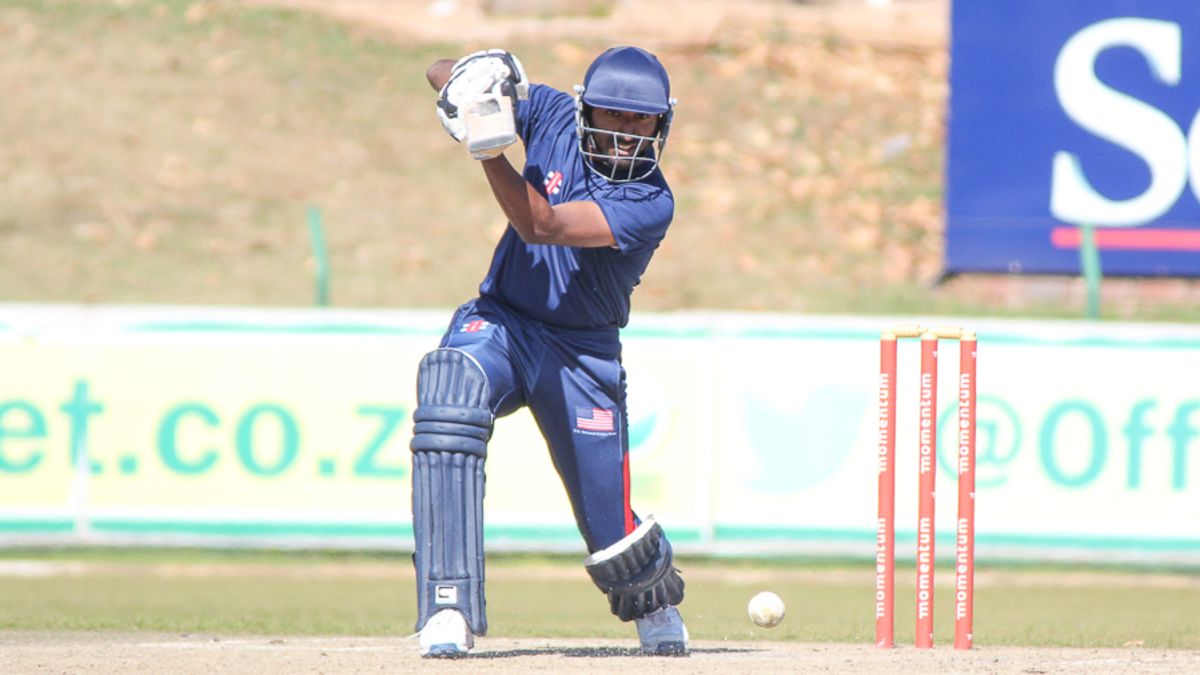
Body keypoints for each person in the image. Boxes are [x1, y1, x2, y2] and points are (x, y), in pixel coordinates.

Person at [408, 46, 687, 658]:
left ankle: (654, 590)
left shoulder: (651, 202)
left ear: (661, 126)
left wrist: (488, 151)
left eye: (640, 122)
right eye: (613, 116)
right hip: (503, 322)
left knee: (611, 532)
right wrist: (473, 87)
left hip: (582, 354)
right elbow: (440, 73)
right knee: (448, 392)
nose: (625, 133)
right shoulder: (554, 115)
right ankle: (447, 606)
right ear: (586, 108)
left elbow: (545, 225)